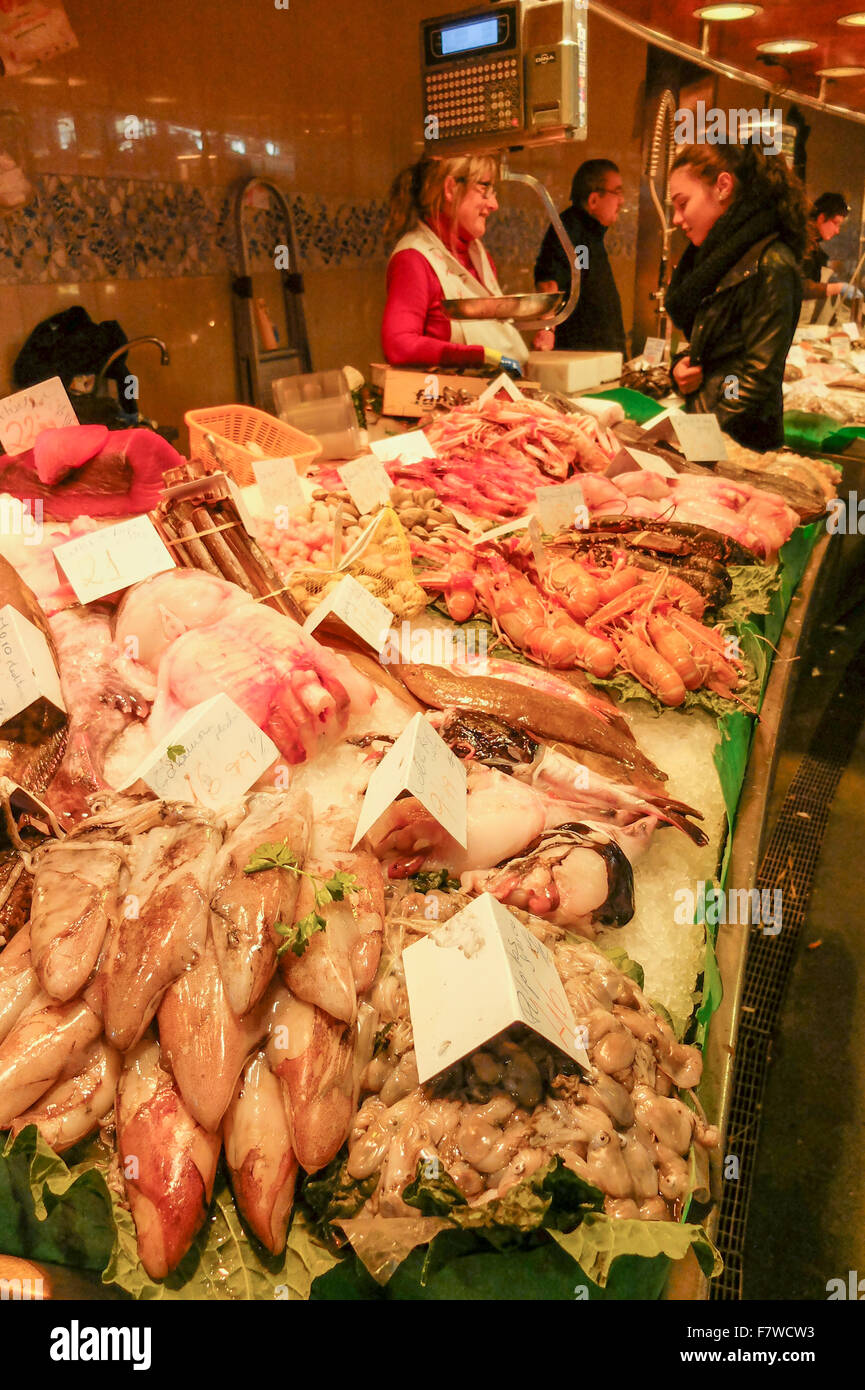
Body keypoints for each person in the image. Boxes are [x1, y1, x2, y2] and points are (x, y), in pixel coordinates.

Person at [666, 142, 808, 452]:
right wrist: (680, 367)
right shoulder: (718, 257)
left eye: (683, 203)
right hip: (710, 433)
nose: (676, 219)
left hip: (743, 445)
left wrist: (699, 437)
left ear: (723, 187)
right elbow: (718, 342)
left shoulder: (771, 263)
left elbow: (756, 376)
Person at [381, 153, 527, 376]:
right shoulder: (413, 259)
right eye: (484, 188)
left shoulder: (479, 256)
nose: (494, 204)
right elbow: (398, 344)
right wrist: (478, 357)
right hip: (448, 406)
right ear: (450, 189)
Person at [532, 159, 626, 355]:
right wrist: (547, 329)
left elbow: (578, 273)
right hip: (580, 355)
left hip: (599, 356)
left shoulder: (589, 234)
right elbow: (550, 278)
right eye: (617, 192)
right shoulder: (570, 227)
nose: (622, 201)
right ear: (593, 200)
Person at [801, 192, 861, 304]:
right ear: (821, 218)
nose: (837, 230)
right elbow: (797, 286)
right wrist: (838, 287)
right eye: (835, 223)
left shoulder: (814, 247)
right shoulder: (799, 244)